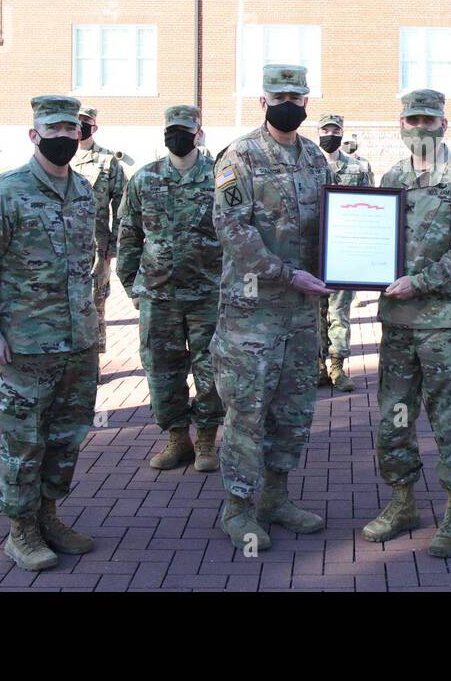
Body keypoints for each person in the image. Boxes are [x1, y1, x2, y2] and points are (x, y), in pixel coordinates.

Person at [0, 95, 100, 572]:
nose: (64, 137)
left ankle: (48, 516)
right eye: (53, 128)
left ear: (80, 134)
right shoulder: (4, 192)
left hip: (78, 342)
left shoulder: (84, 191)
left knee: (67, 437)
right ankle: (20, 531)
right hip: (25, 344)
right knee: (24, 441)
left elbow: (87, 266)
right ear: (34, 134)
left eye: (71, 129)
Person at [209, 64, 334, 551]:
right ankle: (237, 507)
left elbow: (331, 222)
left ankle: (276, 498)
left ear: (307, 103)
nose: (290, 104)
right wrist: (285, 273)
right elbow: (232, 229)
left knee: (293, 409)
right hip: (252, 314)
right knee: (246, 411)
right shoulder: (235, 158)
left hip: (301, 312)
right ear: (263, 101)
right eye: (279, 95)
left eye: (297, 97)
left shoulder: (314, 159)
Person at [363, 89, 451, 558]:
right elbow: (374, 238)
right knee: (394, 419)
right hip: (397, 322)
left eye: (428, 120)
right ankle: (403, 503)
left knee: (450, 419)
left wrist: (420, 283)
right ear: (401, 122)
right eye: (412, 120)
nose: (419, 128)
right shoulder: (392, 176)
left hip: (444, 326)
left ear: (443, 124)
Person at [117, 105, 223, 473]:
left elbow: (237, 231)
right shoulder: (144, 179)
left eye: (185, 129)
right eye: (171, 129)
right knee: (161, 371)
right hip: (158, 297)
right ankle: (178, 439)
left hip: (208, 295)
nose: (177, 136)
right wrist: (132, 284)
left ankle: (207, 438)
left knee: (211, 371)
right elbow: (128, 235)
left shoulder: (220, 177)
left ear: (199, 133)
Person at [316, 112, 373, 392]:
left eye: (335, 130)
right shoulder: (307, 165)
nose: (330, 134)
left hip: (344, 253)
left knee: (339, 311)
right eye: (325, 129)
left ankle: (337, 366)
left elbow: (370, 206)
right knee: (315, 312)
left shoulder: (358, 169)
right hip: (313, 251)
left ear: (342, 133)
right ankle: (317, 366)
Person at [72, 106, 127, 354]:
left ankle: (93, 361)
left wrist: (114, 244)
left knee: (95, 304)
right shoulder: (60, 157)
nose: (81, 126)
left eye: (86, 122)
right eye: (77, 121)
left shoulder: (107, 161)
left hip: (96, 247)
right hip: (61, 246)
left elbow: (122, 205)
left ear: (94, 126)